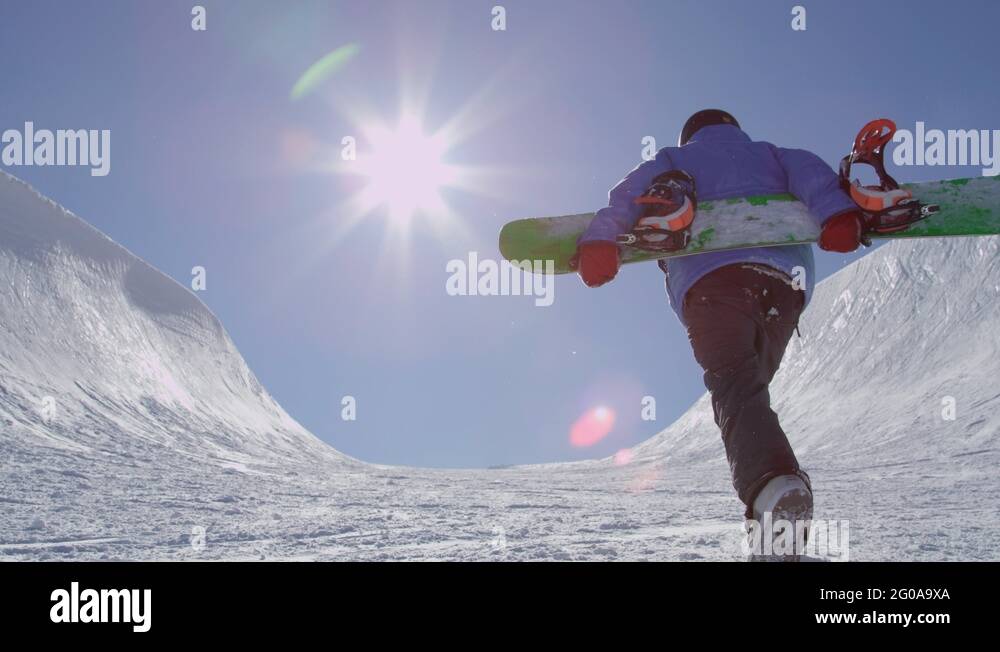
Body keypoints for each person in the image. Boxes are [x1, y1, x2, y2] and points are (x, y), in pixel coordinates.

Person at [575, 109, 865, 558]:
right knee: (749, 394)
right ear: (735, 129)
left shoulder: (672, 158)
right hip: (782, 288)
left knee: (736, 389)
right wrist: (837, 213)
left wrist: (600, 240)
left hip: (711, 286)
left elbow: (627, 196)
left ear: (689, 136)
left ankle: (773, 489)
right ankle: (771, 522)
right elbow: (812, 174)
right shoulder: (772, 154)